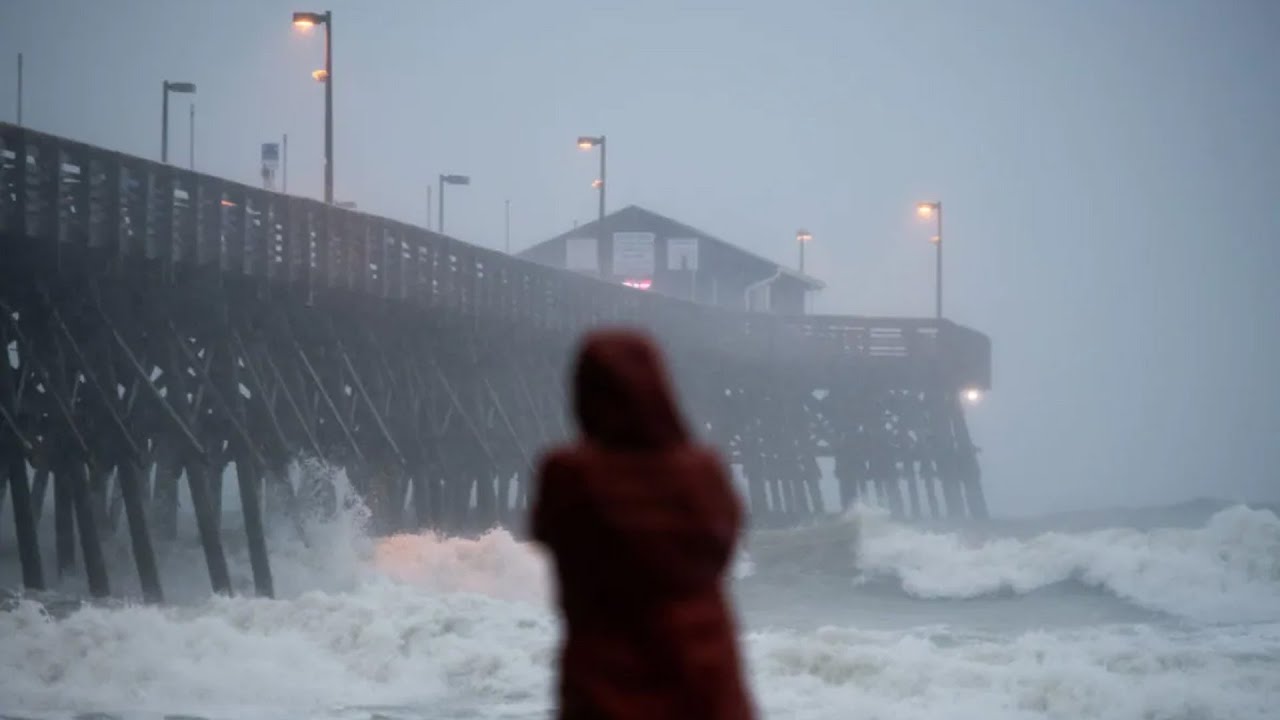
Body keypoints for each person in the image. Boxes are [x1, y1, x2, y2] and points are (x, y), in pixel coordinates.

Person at [531, 329, 756, 720]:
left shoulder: (568, 474)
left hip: (603, 684)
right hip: (703, 680)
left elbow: (545, 532)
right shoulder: (701, 472)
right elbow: (725, 543)